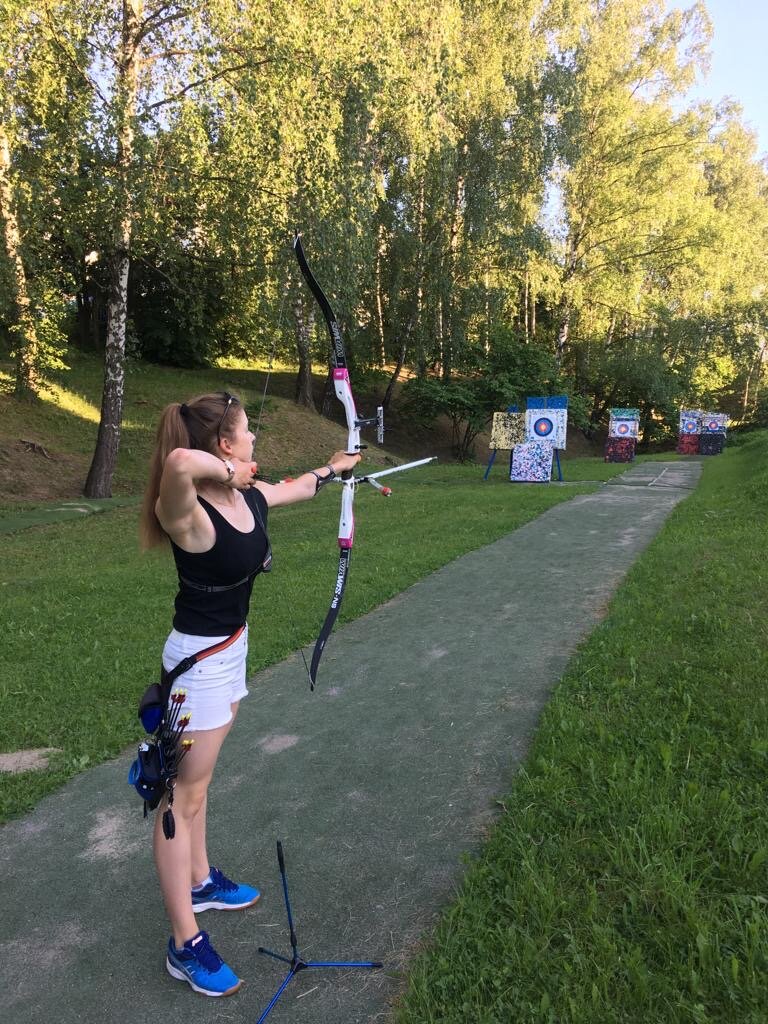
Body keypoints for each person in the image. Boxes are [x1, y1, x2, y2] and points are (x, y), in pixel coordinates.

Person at [139, 389, 360, 997]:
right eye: (246, 433)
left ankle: (203, 880)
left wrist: (332, 469)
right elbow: (180, 465)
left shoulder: (244, 500)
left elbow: (292, 490)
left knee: (198, 785)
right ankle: (184, 944)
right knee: (178, 798)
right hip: (198, 664)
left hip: (231, 649)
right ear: (223, 445)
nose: (255, 440)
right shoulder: (183, 510)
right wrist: (227, 470)